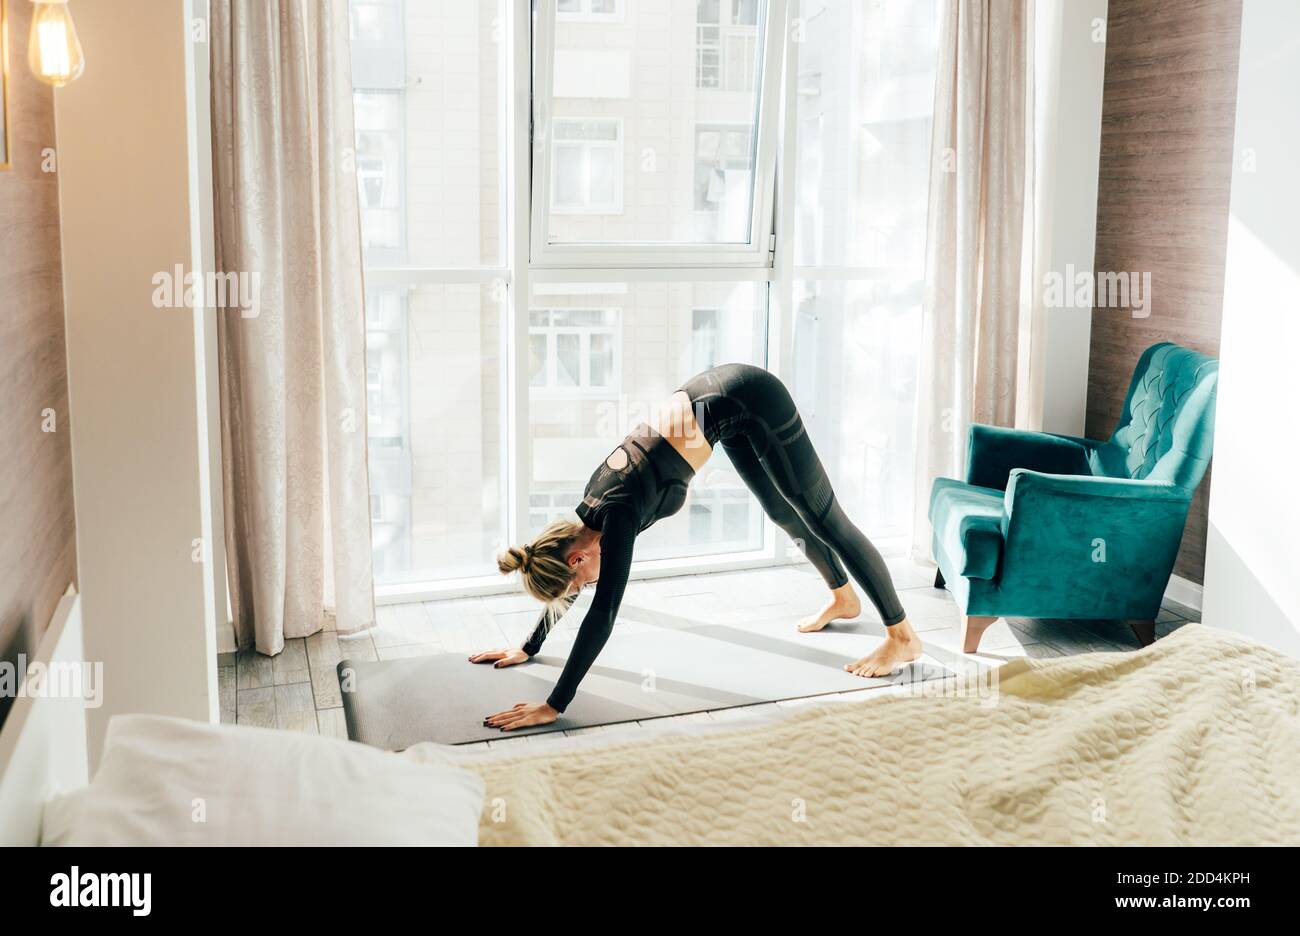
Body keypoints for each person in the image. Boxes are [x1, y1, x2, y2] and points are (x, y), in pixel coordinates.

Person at [470, 363, 920, 731]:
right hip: (723, 407)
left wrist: (555, 704)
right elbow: (574, 584)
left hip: (753, 398)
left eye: (577, 584)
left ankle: (902, 637)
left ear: (576, 557)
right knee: (785, 514)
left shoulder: (618, 513)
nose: (582, 589)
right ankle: (843, 598)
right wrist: (530, 645)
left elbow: (603, 613)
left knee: (825, 519)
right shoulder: (587, 520)